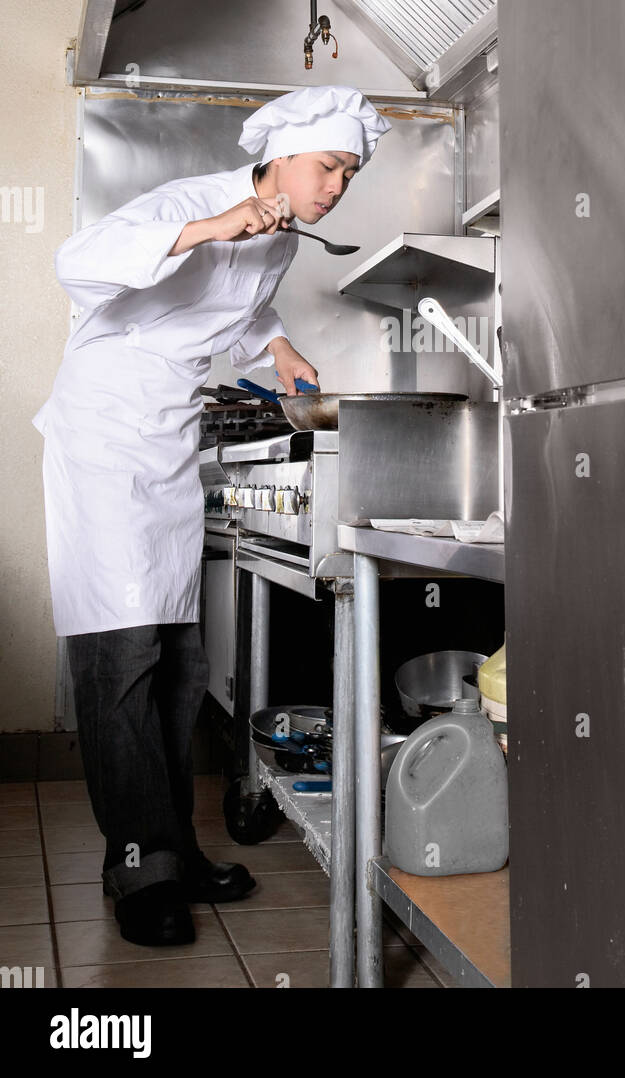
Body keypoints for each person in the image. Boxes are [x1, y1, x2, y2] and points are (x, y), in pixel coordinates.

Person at [32, 85, 392, 946]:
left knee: (179, 659)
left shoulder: (278, 243)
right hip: (104, 439)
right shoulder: (197, 201)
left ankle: (175, 851)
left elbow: (231, 310)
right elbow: (76, 261)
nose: (337, 186)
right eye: (328, 167)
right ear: (281, 157)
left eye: (349, 174)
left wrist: (276, 343)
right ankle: (137, 866)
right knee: (120, 655)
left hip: (165, 445)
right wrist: (212, 225)